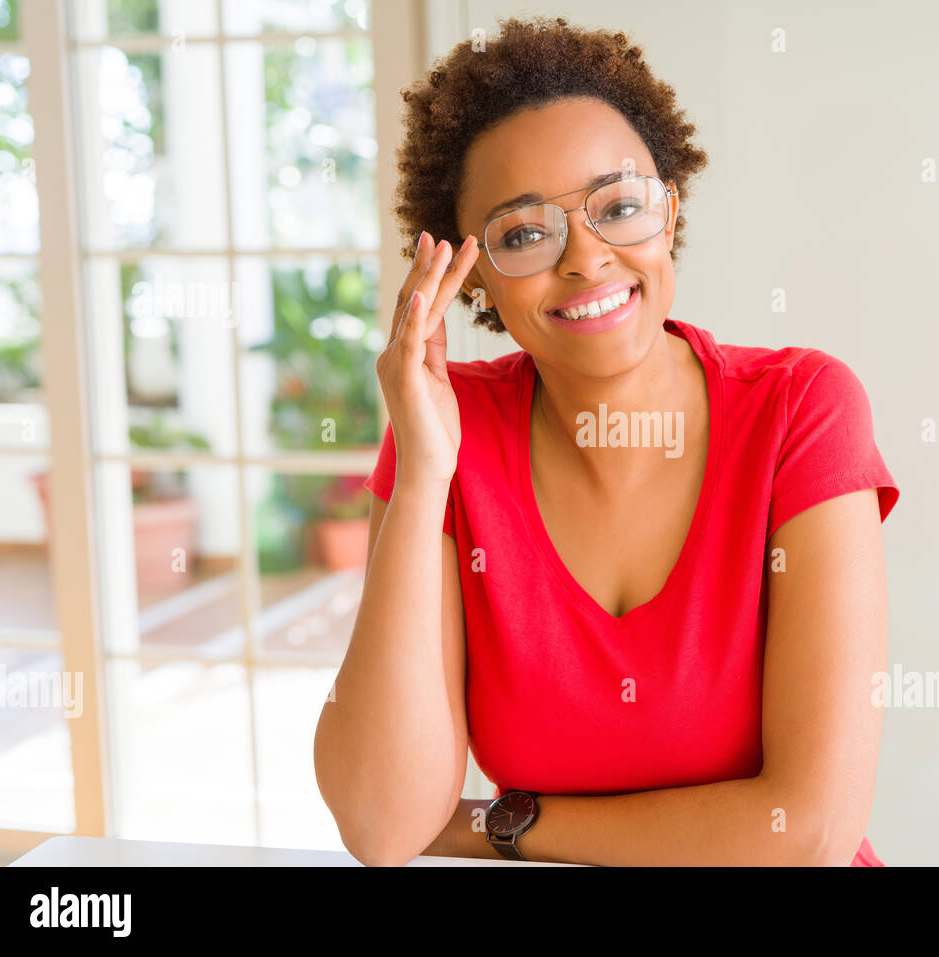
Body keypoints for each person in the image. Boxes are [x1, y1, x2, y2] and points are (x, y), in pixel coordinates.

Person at [314, 15, 899, 867]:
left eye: (619, 207)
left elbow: (807, 832)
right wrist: (423, 478)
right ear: (468, 274)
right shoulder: (445, 434)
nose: (586, 258)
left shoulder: (801, 410)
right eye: (523, 233)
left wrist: (500, 823)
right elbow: (380, 823)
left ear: (671, 212)